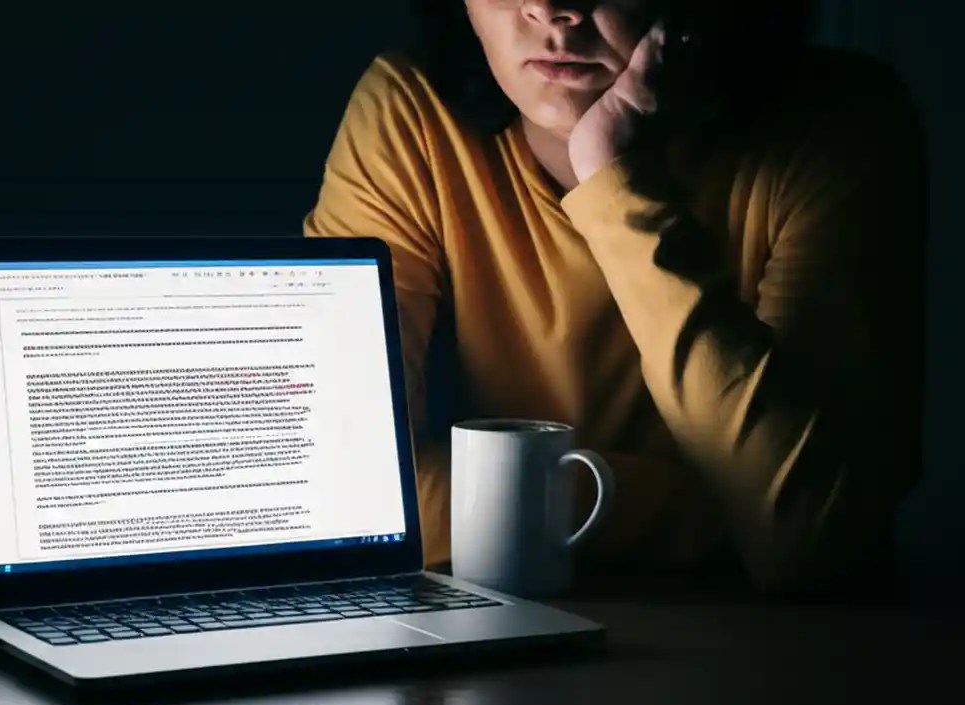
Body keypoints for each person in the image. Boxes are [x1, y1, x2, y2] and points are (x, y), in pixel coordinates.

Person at [304, 0, 926, 594]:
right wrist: (724, 515)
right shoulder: (413, 114)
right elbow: (337, 491)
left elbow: (812, 540)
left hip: (786, 644)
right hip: (513, 618)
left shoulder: (839, 123)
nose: (550, 8)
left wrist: (610, 173)